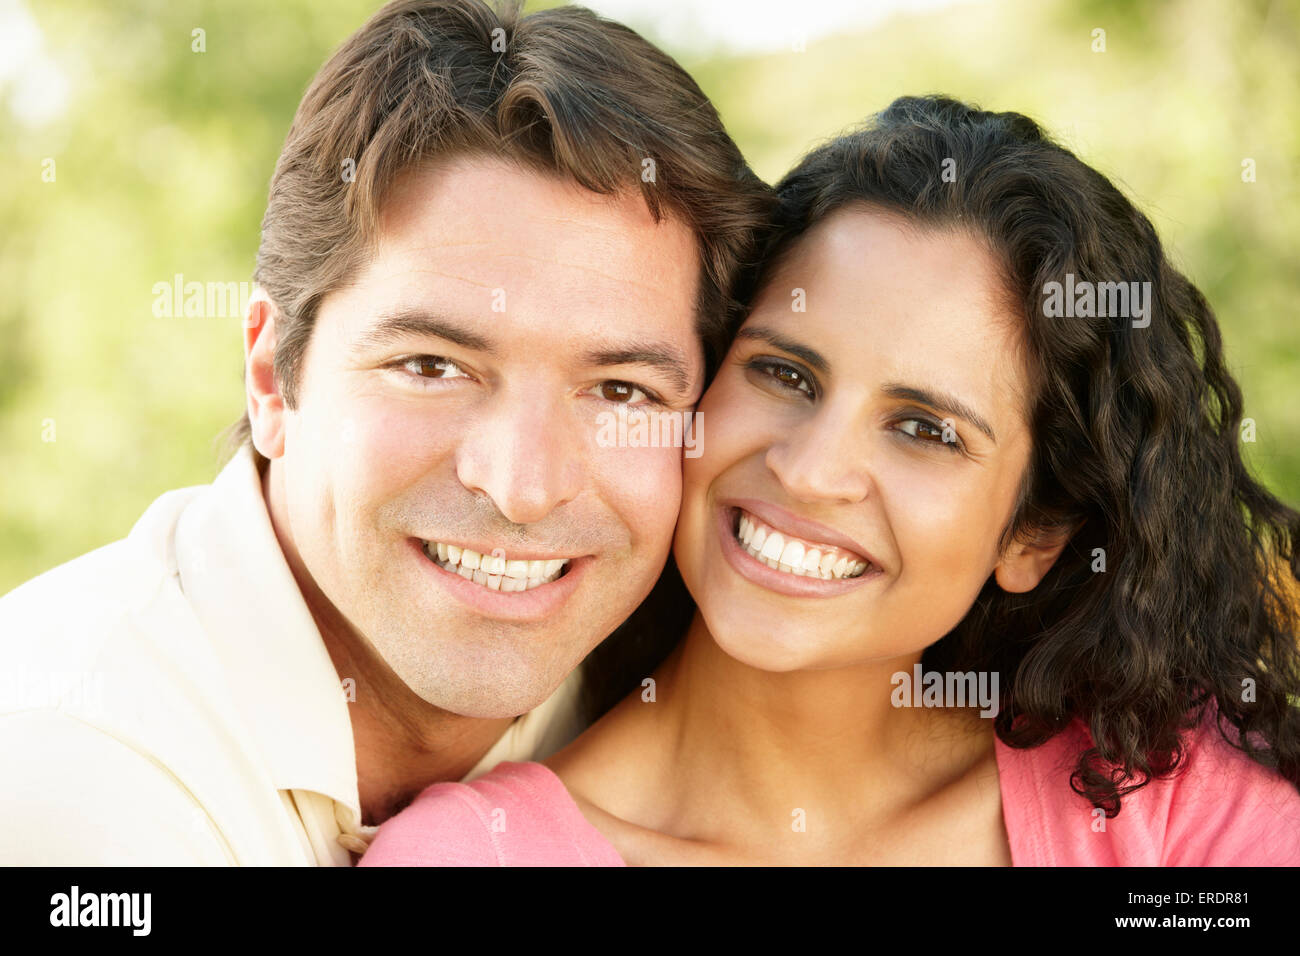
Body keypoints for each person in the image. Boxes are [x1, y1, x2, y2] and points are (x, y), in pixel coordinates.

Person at [360, 95, 1300, 866]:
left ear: (1035, 533)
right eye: (785, 375)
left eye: (925, 429)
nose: (808, 471)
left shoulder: (1173, 809)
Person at [0, 0, 773, 864]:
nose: (522, 486)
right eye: (432, 367)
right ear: (271, 377)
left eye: (621, 390)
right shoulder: (76, 772)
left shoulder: (660, 691)